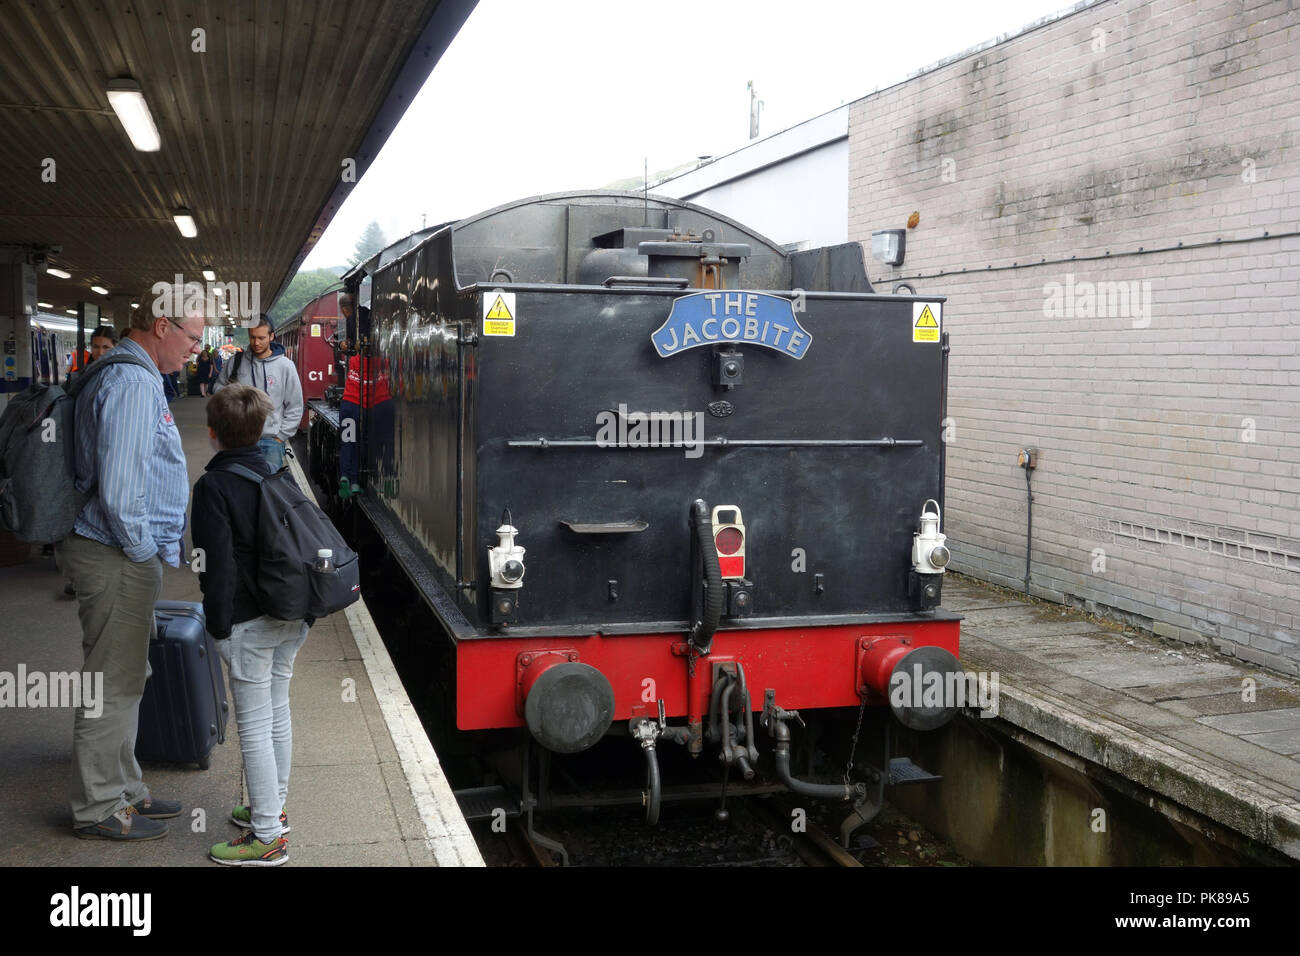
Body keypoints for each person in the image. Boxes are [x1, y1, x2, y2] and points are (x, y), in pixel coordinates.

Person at [57, 298, 204, 841]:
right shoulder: (135, 385)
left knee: (128, 676)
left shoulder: (131, 376)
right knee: (112, 683)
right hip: (116, 553)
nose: (196, 351)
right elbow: (120, 495)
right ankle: (98, 807)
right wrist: (146, 553)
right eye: (192, 338)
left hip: (119, 553)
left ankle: (126, 789)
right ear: (161, 326)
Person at [192, 384, 308, 866]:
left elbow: (214, 567)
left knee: (256, 726)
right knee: (277, 711)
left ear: (212, 433)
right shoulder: (279, 472)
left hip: (249, 620)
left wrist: (218, 628)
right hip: (292, 613)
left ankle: (267, 839)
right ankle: (272, 812)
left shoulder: (214, 487)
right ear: (261, 428)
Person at [212, 315, 302, 470]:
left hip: (271, 441)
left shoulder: (286, 366)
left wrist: (280, 437)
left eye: (261, 338)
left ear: (271, 336)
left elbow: (295, 406)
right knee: (239, 487)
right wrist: (231, 396)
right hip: (238, 440)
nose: (256, 343)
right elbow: (218, 388)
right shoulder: (236, 362)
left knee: (267, 489)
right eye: (252, 337)